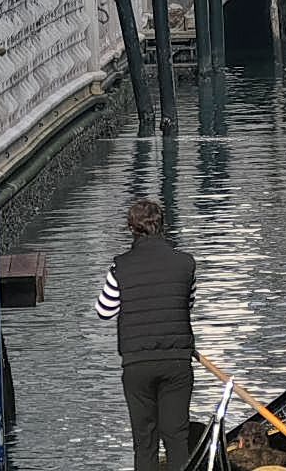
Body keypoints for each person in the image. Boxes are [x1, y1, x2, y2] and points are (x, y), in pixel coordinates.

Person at [96, 198, 197, 471]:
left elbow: (104, 311)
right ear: (162, 225)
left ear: (132, 229)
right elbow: (186, 303)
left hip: (137, 364)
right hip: (177, 360)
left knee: (145, 440)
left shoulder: (120, 267)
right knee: (177, 437)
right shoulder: (185, 264)